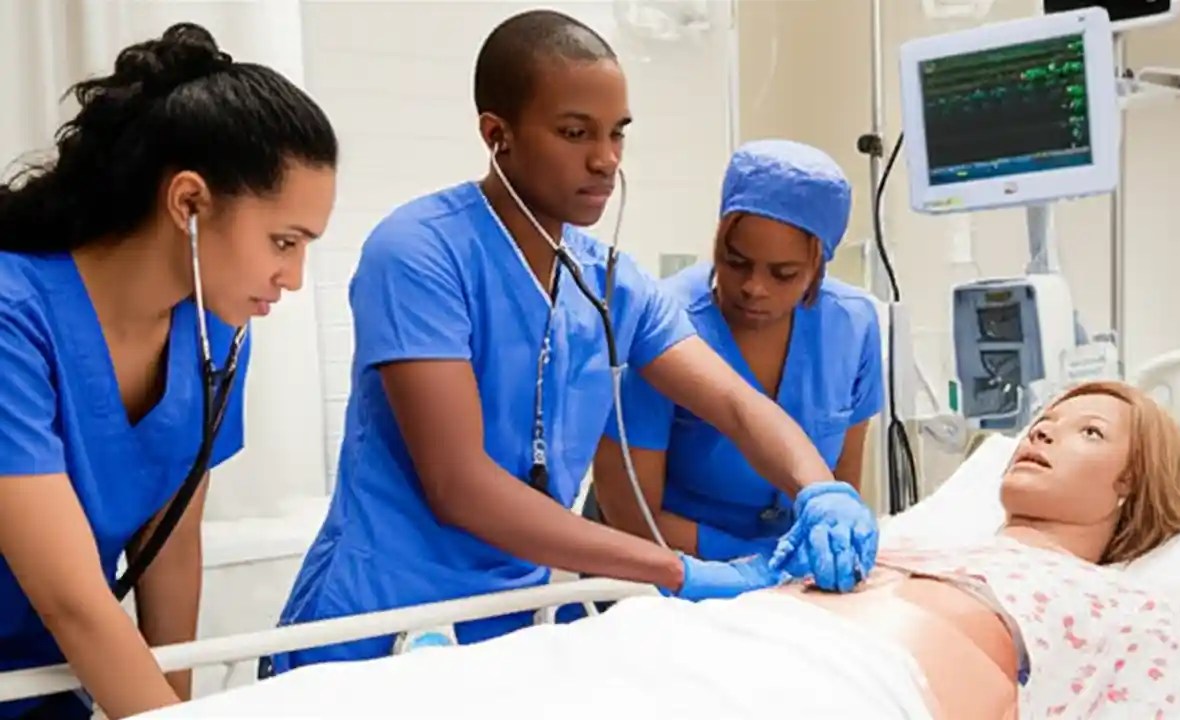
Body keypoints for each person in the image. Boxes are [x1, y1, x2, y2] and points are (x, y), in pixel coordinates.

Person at [268, 9, 877, 674]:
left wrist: (821, 490)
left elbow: (734, 403)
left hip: (511, 628)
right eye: (574, 132)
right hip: (378, 624)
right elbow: (459, 485)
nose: (606, 159)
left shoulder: (610, 283)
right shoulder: (418, 254)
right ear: (497, 134)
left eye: (617, 134)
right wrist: (679, 570)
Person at [132, 381, 1180, 720]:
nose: (1038, 430)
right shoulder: (909, 535)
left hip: (840, 688)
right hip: (684, 642)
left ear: (1133, 488)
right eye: (1041, 416)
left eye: (1086, 431)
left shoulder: (1130, 610)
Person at [0, 23, 337, 720]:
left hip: (49, 681)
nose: (295, 278)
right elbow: (70, 598)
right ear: (188, 203)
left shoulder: (214, 333)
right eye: (284, 242)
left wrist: (178, 708)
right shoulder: (13, 316)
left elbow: (171, 546)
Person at [591, 139, 883, 564]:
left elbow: (840, 489)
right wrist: (742, 557)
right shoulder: (659, 325)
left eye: (784, 274)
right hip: (665, 566)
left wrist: (827, 549)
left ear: (819, 265)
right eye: (736, 262)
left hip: (788, 575)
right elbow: (629, 511)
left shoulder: (853, 325)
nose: (754, 288)